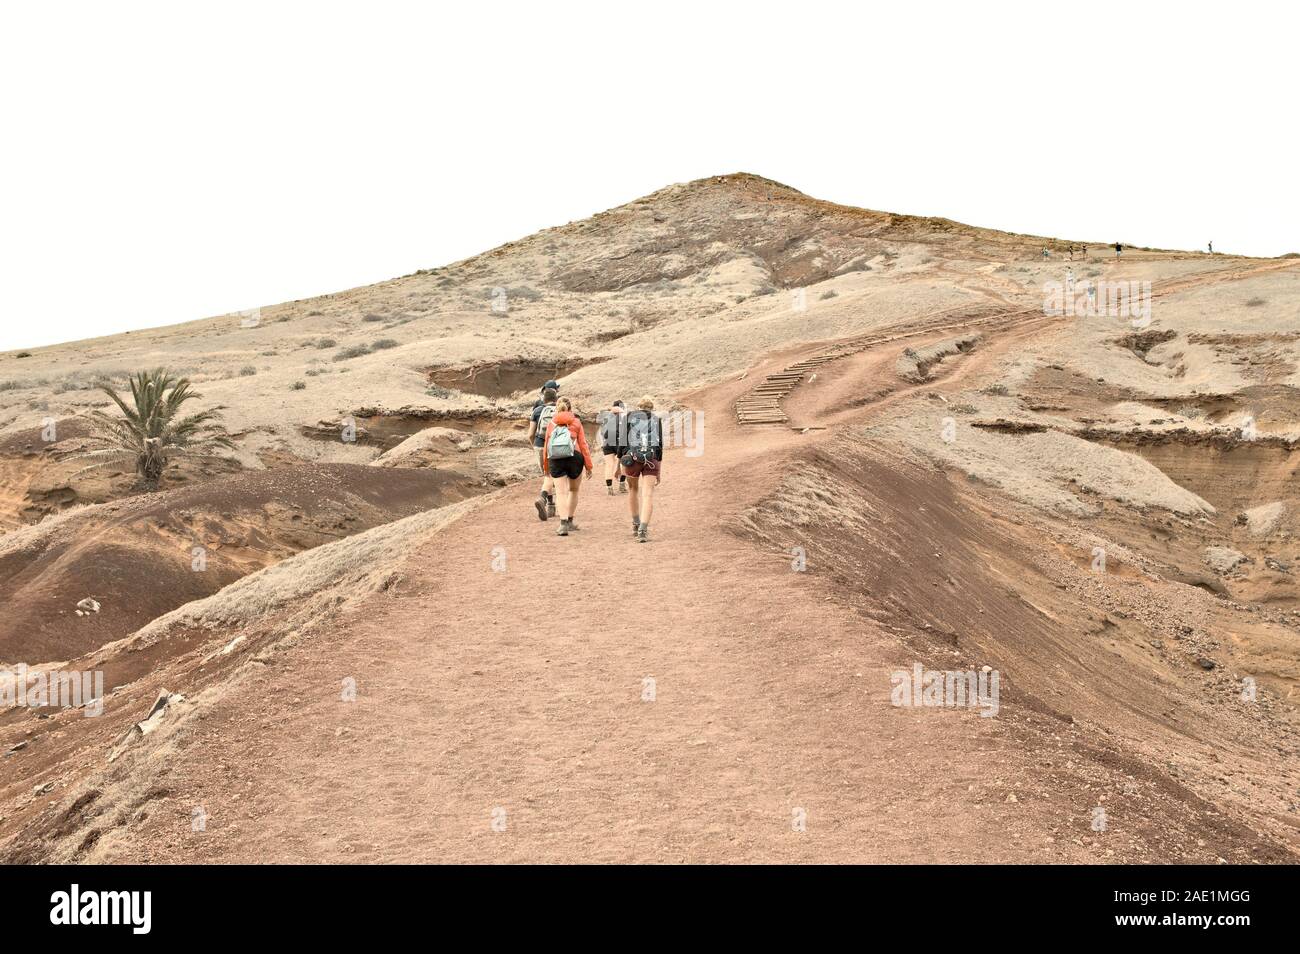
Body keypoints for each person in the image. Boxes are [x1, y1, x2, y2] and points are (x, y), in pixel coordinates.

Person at [542, 397, 593, 536]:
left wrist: (546, 467)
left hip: (556, 458)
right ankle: (570, 521)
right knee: (574, 491)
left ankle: (563, 524)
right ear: (570, 409)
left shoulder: (551, 423)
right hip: (575, 457)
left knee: (561, 492)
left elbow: (546, 446)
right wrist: (589, 466)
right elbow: (583, 445)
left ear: (557, 409)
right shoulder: (576, 422)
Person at [621, 395, 663, 543]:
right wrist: (658, 471)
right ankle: (643, 531)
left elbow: (622, 443)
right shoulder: (656, 420)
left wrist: (622, 461)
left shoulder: (628, 418)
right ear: (651, 408)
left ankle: (635, 524)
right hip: (652, 460)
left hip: (632, 459)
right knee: (648, 495)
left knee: (633, 490)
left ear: (638, 407)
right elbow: (660, 446)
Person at [528, 387, 559, 520]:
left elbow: (530, 434)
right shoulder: (559, 409)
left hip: (540, 445)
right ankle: (545, 499)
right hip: (555, 446)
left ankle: (550, 504)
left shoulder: (536, 410)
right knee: (553, 476)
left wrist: (534, 446)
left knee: (547, 474)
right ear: (556, 398)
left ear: (543, 399)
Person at [597, 400, 629, 495]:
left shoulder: (607, 416)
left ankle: (609, 488)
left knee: (609, 465)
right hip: (620, 442)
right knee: (624, 464)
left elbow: (602, 432)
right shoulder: (624, 416)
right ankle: (622, 485)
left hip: (607, 442)